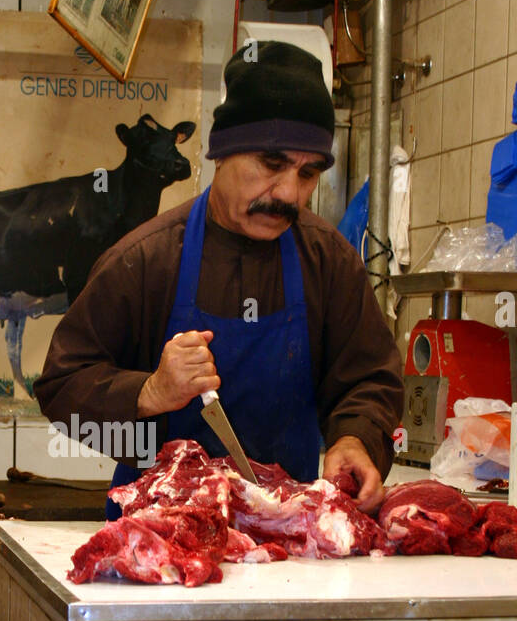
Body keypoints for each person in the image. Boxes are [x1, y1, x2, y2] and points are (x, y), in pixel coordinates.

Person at [34, 41, 404, 517]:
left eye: (308, 173)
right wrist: (148, 393)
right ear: (221, 153)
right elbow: (62, 387)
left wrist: (356, 436)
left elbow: (370, 376)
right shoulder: (146, 260)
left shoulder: (329, 262)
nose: (289, 193)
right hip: (160, 544)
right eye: (271, 165)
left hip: (288, 538)